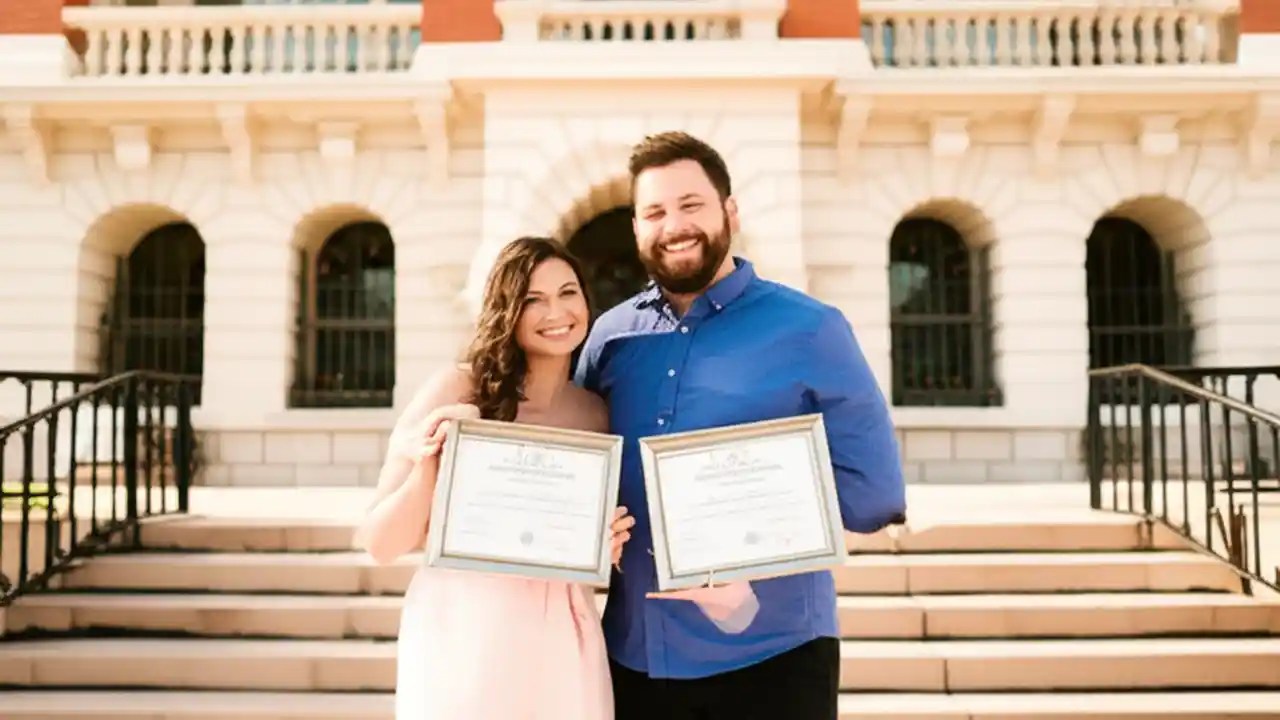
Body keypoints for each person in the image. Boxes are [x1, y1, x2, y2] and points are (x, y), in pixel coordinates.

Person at [573, 131, 908, 720]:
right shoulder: (608, 339)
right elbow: (572, 467)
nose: (673, 225)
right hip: (634, 658)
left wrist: (750, 529)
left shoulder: (812, 328)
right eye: (655, 211)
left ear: (729, 211)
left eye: (691, 205)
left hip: (772, 653)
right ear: (636, 228)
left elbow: (872, 496)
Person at [357, 236, 637, 720]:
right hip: (466, 626)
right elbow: (380, 543)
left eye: (568, 293)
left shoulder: (594, 412)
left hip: (561, 632)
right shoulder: (456, 388)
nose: (557, 311)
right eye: (533, 299)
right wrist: (431, 461)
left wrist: (603, 544)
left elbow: (583, 546)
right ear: (507, 308)